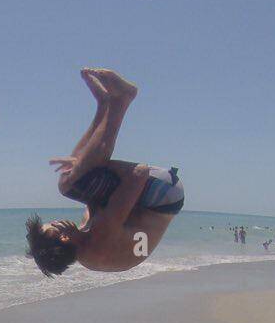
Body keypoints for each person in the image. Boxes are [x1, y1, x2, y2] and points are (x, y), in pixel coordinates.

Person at [25, 68, 184, 276]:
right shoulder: (99, 239)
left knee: (73, 179)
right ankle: (121, 101)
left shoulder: (86, 246)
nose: (56, 220)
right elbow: (139, 173)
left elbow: (96, 200)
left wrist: (81, 165)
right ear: (63, 238)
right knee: (69, 184)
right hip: (161, 194)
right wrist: (79, 163)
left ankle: (104, 105)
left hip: (156, 201)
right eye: (54, 225)